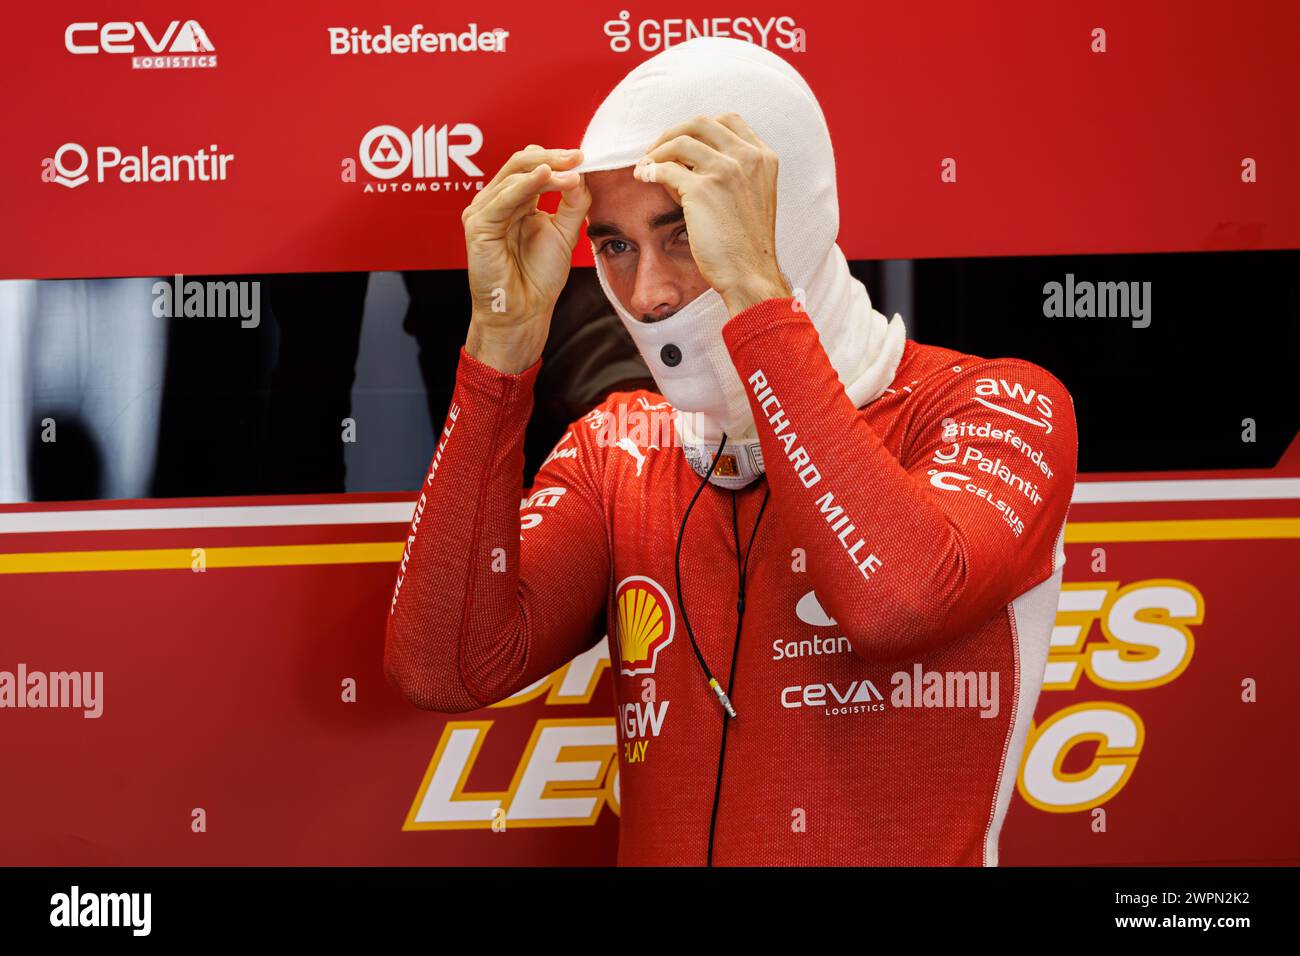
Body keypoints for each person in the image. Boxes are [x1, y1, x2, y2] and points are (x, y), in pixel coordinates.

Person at [384, 37, 1077, 866]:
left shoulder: (994, 402)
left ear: (782, 222)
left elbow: (896, 603)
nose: (648, 293)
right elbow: (445, 666)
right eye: (616, 246)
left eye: (685, 234)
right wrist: (497, 355)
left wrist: (757, 291)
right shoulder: (621, 447)